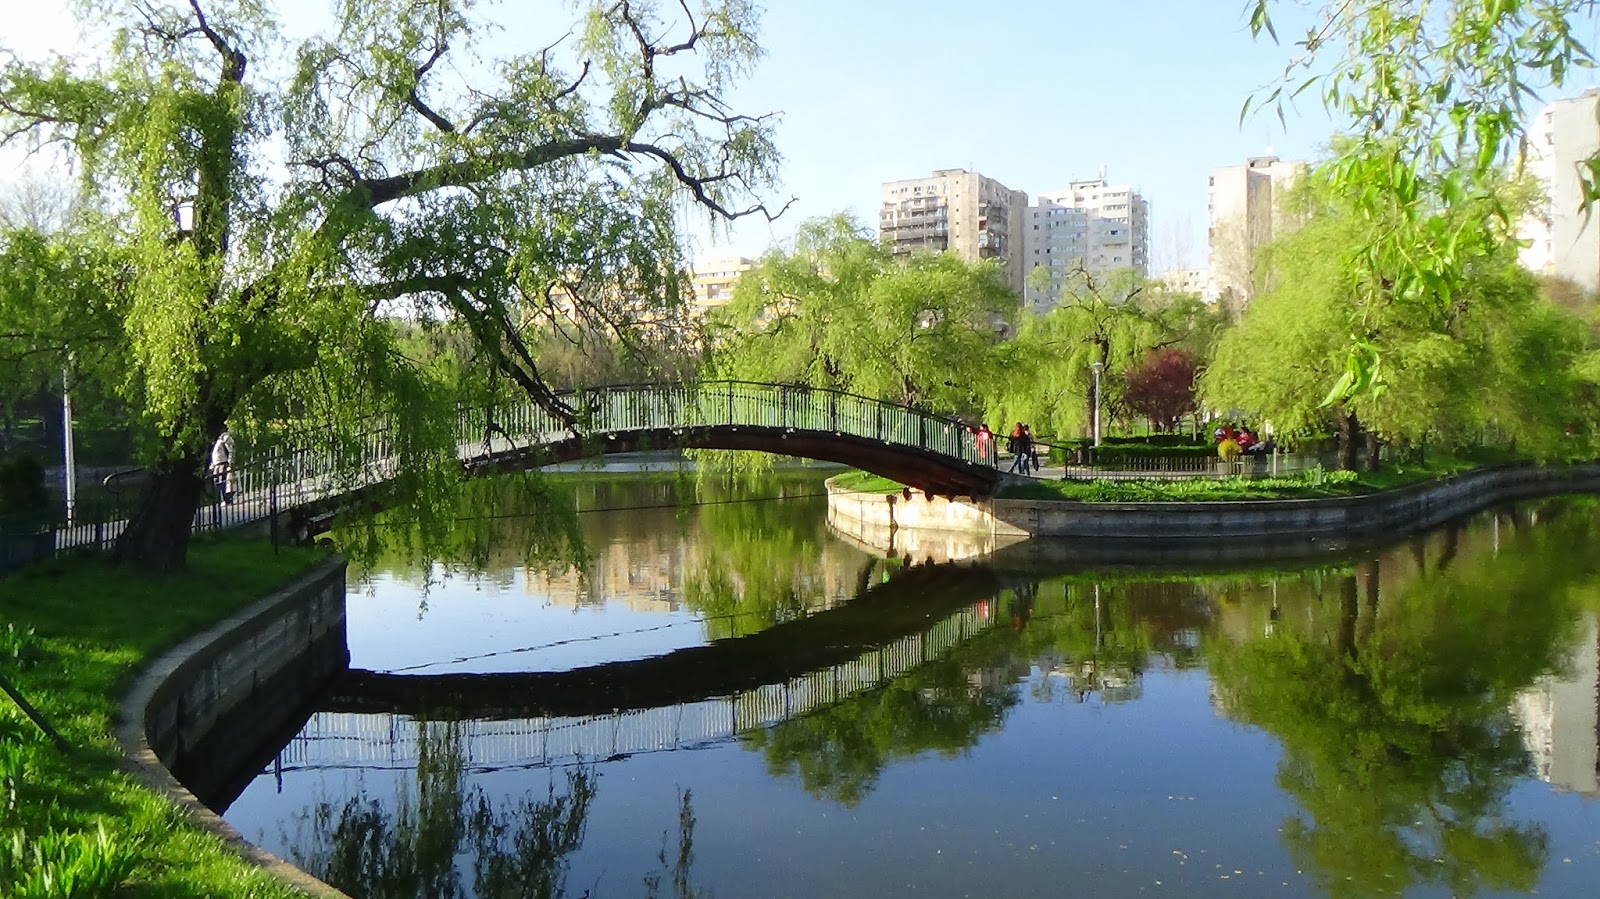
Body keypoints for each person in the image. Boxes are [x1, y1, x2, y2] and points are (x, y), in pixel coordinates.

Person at [210, 429, 236, 504]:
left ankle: (227, 499)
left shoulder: (225, 437)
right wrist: (213, 464)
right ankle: (224, 499)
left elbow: (231, 450)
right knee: (218, 482)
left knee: (225, 482)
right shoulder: (218, 440)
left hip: (223, 463)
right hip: (217, 464)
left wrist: (230, 462)